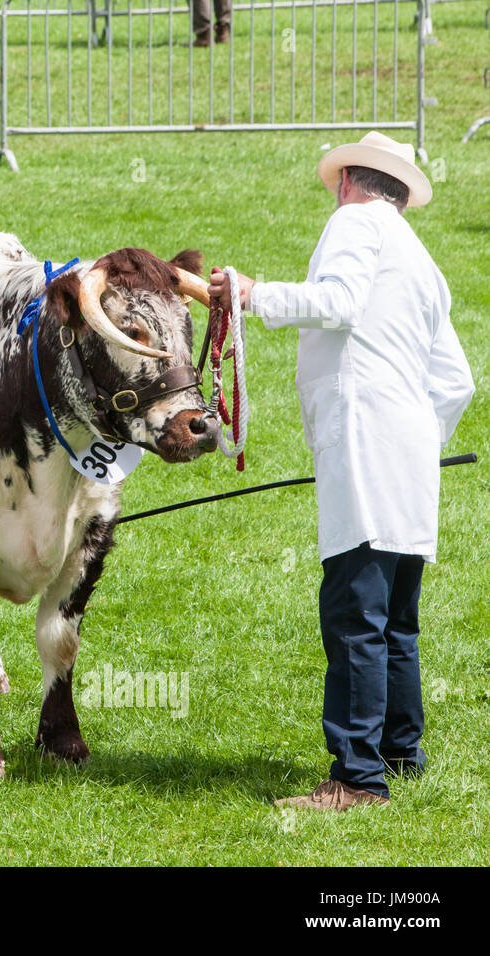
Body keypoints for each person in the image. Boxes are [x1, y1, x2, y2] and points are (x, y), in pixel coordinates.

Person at [209, 131, 474, 811]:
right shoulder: (422, 258)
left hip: (364, 431)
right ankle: (399, 752)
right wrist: (416, 439)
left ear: (349, 182)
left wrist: (254, 293)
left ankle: (357, 778)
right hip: (408, 445)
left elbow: (339, 301)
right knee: (395, 616)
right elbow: (457, 381)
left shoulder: (354, 221)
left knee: (355, 610)